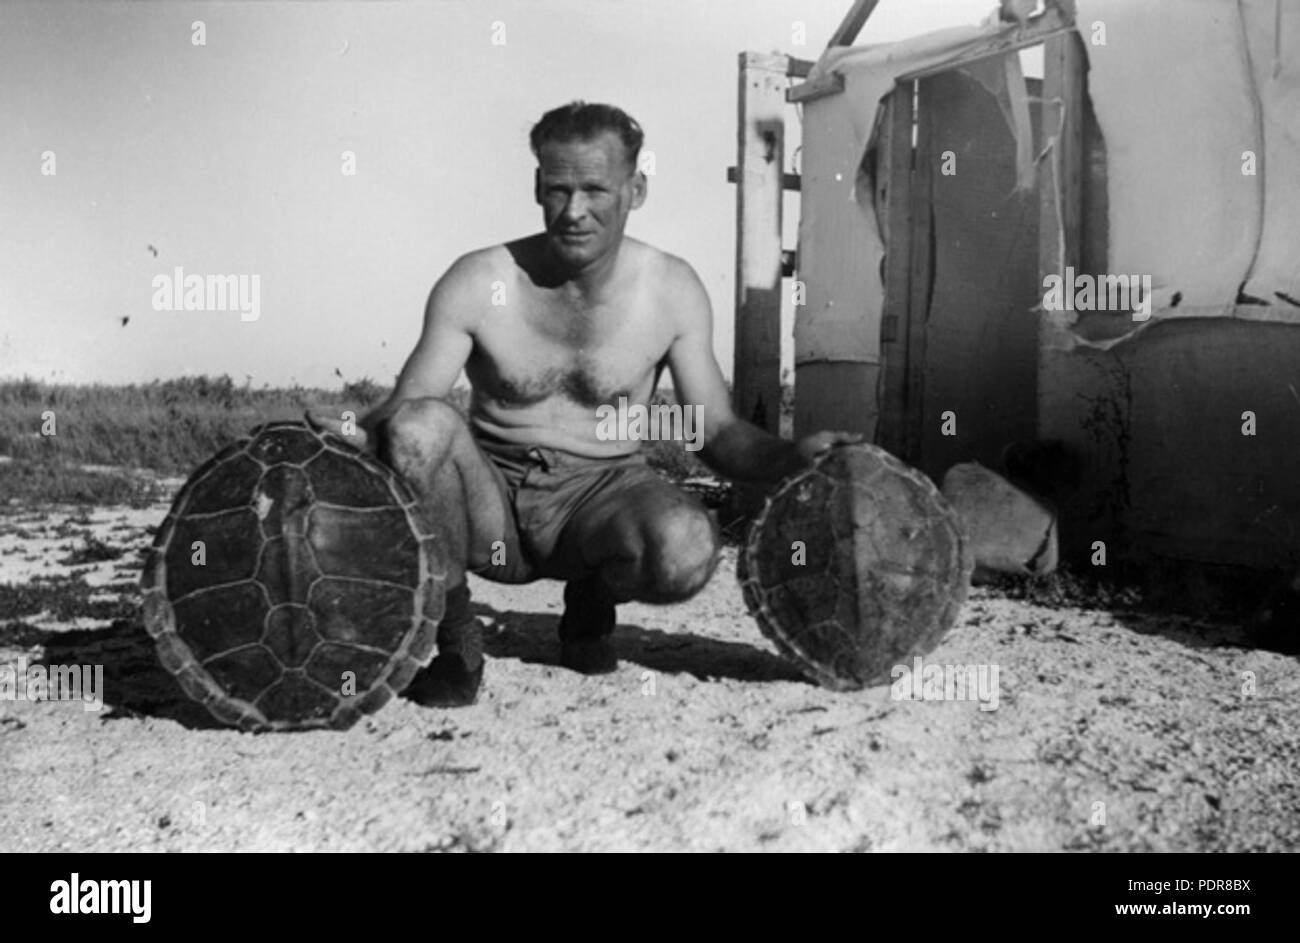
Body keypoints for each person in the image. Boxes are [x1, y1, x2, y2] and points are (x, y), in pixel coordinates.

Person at [311, 102, 860, 706]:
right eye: (557, 190)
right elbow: (409, 410)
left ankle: (593, 597)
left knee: (686, 548)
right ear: (537, 187)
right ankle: (457, 635)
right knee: (418, 428)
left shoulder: (670, 290)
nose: (574, 212)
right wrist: (353, 431)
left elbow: (713, 432)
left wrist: (791, 456)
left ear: (637, 189)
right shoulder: (478, 280)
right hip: (489, 504)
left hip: (601, 499)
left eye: (595, 189)